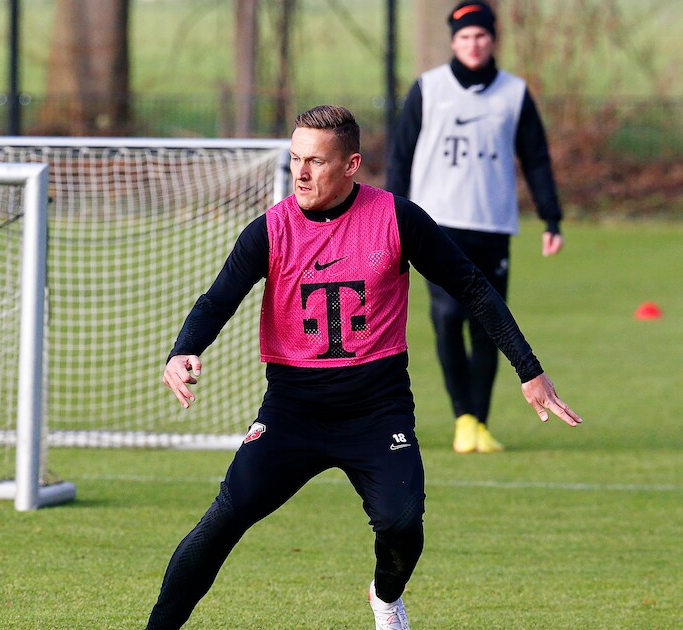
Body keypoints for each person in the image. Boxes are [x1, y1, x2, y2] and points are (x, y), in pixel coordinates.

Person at [146, 105, 580, 630]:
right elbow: (216, 301)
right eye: (294, 159)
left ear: (351, 164)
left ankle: (385, 597)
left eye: (316, 162)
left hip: (377, 410)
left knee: (402, 525)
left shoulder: (397, 219)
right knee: (227, 514)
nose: (300, 173)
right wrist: (183, 350)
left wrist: (528, 370)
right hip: (293, 409)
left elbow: (471, 286)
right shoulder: (269, 230)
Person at [385, 1, 564, 454]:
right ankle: (463, 416)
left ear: (493, 39)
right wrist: (387, 219)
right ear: (453, 41)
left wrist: (551, 216)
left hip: (492, 223)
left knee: (489, 326)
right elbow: (401, 158)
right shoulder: (429, 88)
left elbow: (536, 158)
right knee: (446, 319)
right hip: (437, 224)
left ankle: (479, 422)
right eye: (465, 37)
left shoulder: (514, 93)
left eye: (481, 36)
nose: (473, 44)